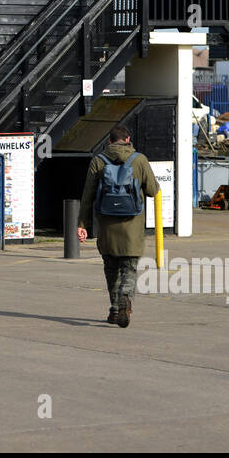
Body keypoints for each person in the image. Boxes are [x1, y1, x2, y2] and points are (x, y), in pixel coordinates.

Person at [77, 125, 160, 328]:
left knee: (111, 269)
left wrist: (82, 224)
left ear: (110, 141)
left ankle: (115, 309)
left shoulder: (98, 160)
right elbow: (152, 189)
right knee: (129, 269)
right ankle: (125, 298)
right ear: (128, 139)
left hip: (106, 227)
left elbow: (87, 196)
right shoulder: (139, 159)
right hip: (132, 227)